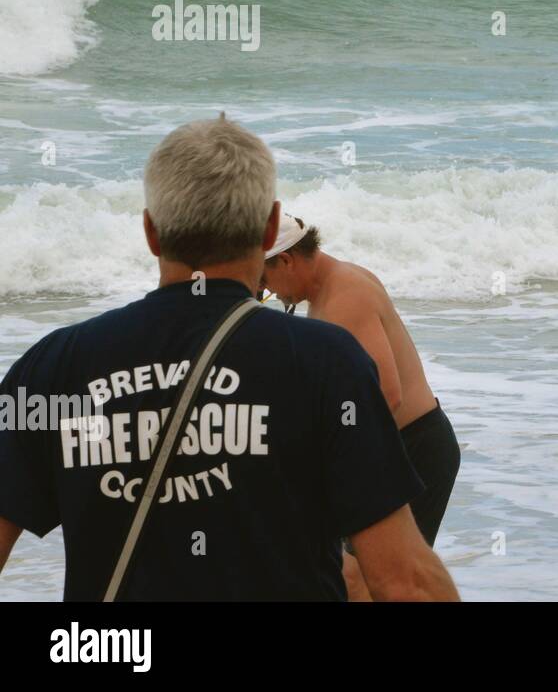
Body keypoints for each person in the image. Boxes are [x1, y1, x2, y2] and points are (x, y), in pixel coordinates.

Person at [0, 114, 458, 601]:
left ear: (151, 232)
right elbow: (404, 581)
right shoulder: (326, 364)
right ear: (268, 231)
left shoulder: (51, 368)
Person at [261, 214, 459, 601]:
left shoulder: (344, 296)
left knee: (373, 580)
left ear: (286, 260)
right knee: (366, 578)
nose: (270, 294)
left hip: (414, 448)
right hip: (407, 443)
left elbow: (386, 394)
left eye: (266, 283)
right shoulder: (332, 288)